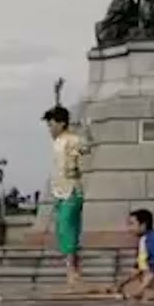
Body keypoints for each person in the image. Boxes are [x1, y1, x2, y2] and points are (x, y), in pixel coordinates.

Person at [44, 104, 87, 287]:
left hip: (72, 191)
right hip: (59, 192)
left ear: (61, 124)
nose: (50, 128)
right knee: (64, 232)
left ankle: (72, 272)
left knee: (67, 230)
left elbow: (86, 146)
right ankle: (73, 271)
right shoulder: (56, 143)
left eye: (52, 124)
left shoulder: (72, 139)